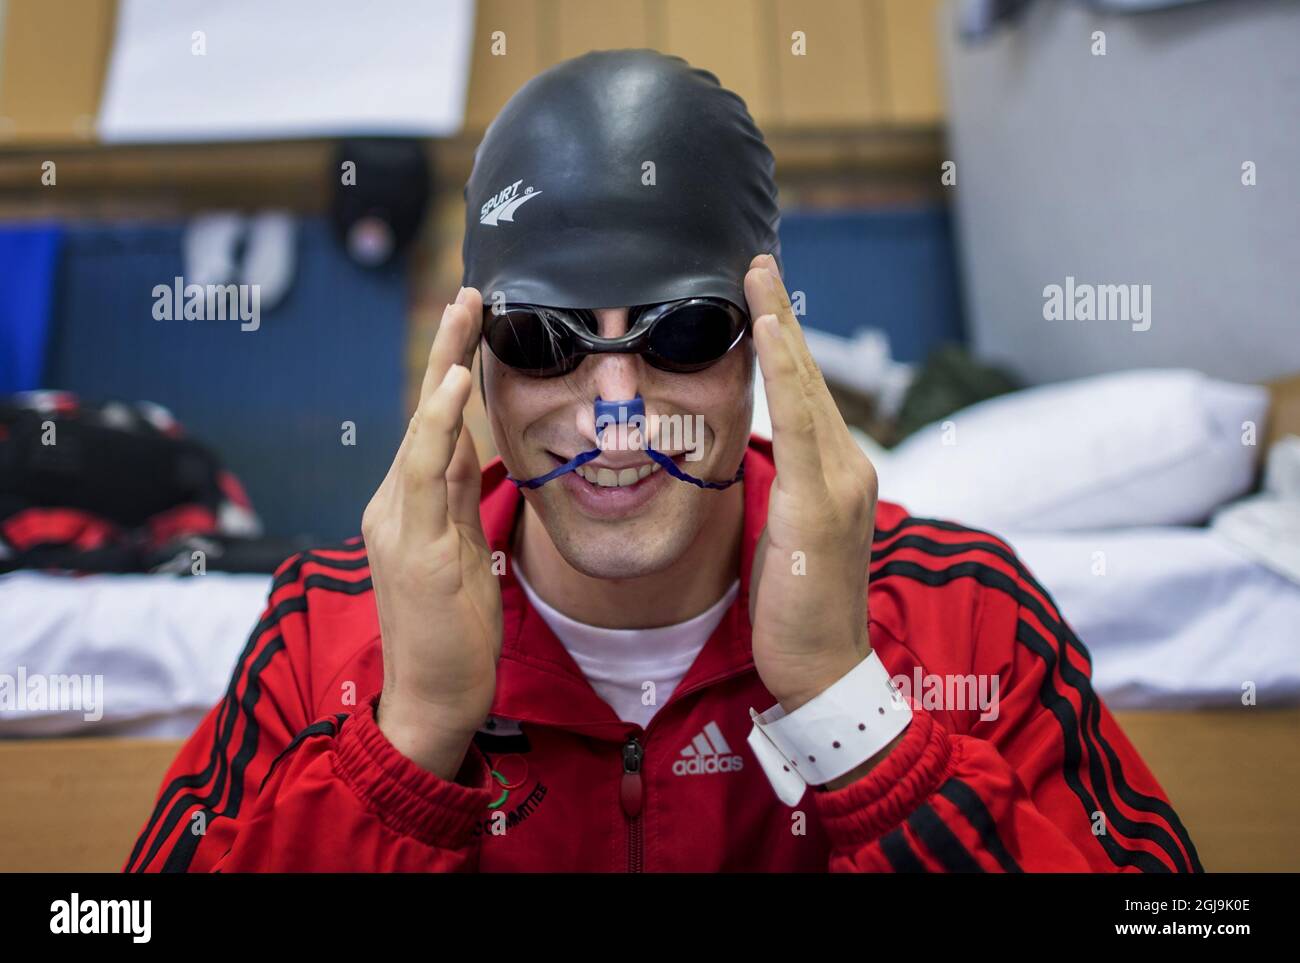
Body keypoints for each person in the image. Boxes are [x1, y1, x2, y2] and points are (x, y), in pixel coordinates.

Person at [126, 50, 1199, 873]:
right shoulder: (329, 630)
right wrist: (405, 747)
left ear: (766, 347)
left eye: (680, 333)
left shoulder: (961, 615)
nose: (618, 409)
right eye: (543, 341)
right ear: (474, 362)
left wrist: (848, 712)